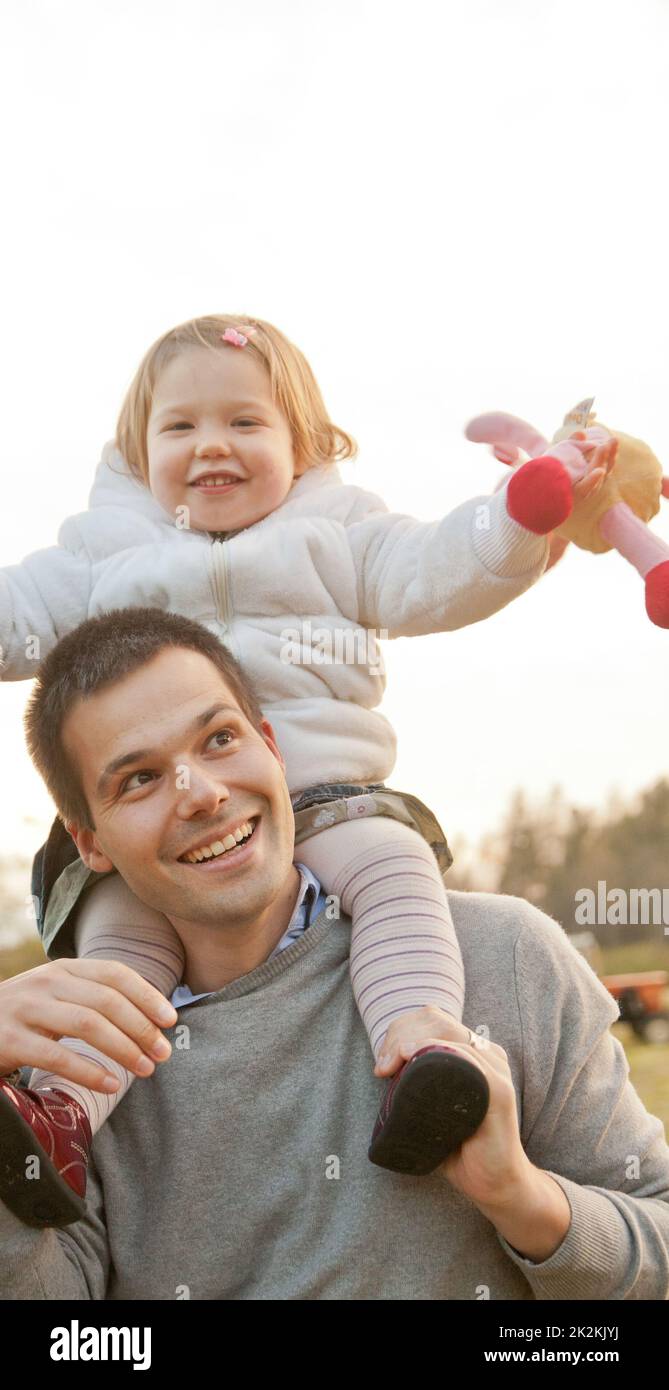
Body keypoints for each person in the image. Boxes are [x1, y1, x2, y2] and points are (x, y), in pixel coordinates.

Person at [0, 314, 618, 1217]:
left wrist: (516, 521)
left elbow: (434, 568)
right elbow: (18, 612)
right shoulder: (104, 550)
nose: (211, 445)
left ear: (305, 444)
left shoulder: (337, 532)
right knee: (123, 957)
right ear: (137, 454)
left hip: (332, 796)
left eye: (245, 423)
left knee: (397, 875)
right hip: (151, 845)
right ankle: (63, 1115)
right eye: (179, 428)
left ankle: (420, 1051)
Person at [1, 609, 668, 1300]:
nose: (202, 794)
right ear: (90, 845)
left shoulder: (507, 957)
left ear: (272, 747)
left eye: (220, 739)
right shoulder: (67, 1067)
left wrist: (521, 1199)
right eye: (137, 779)